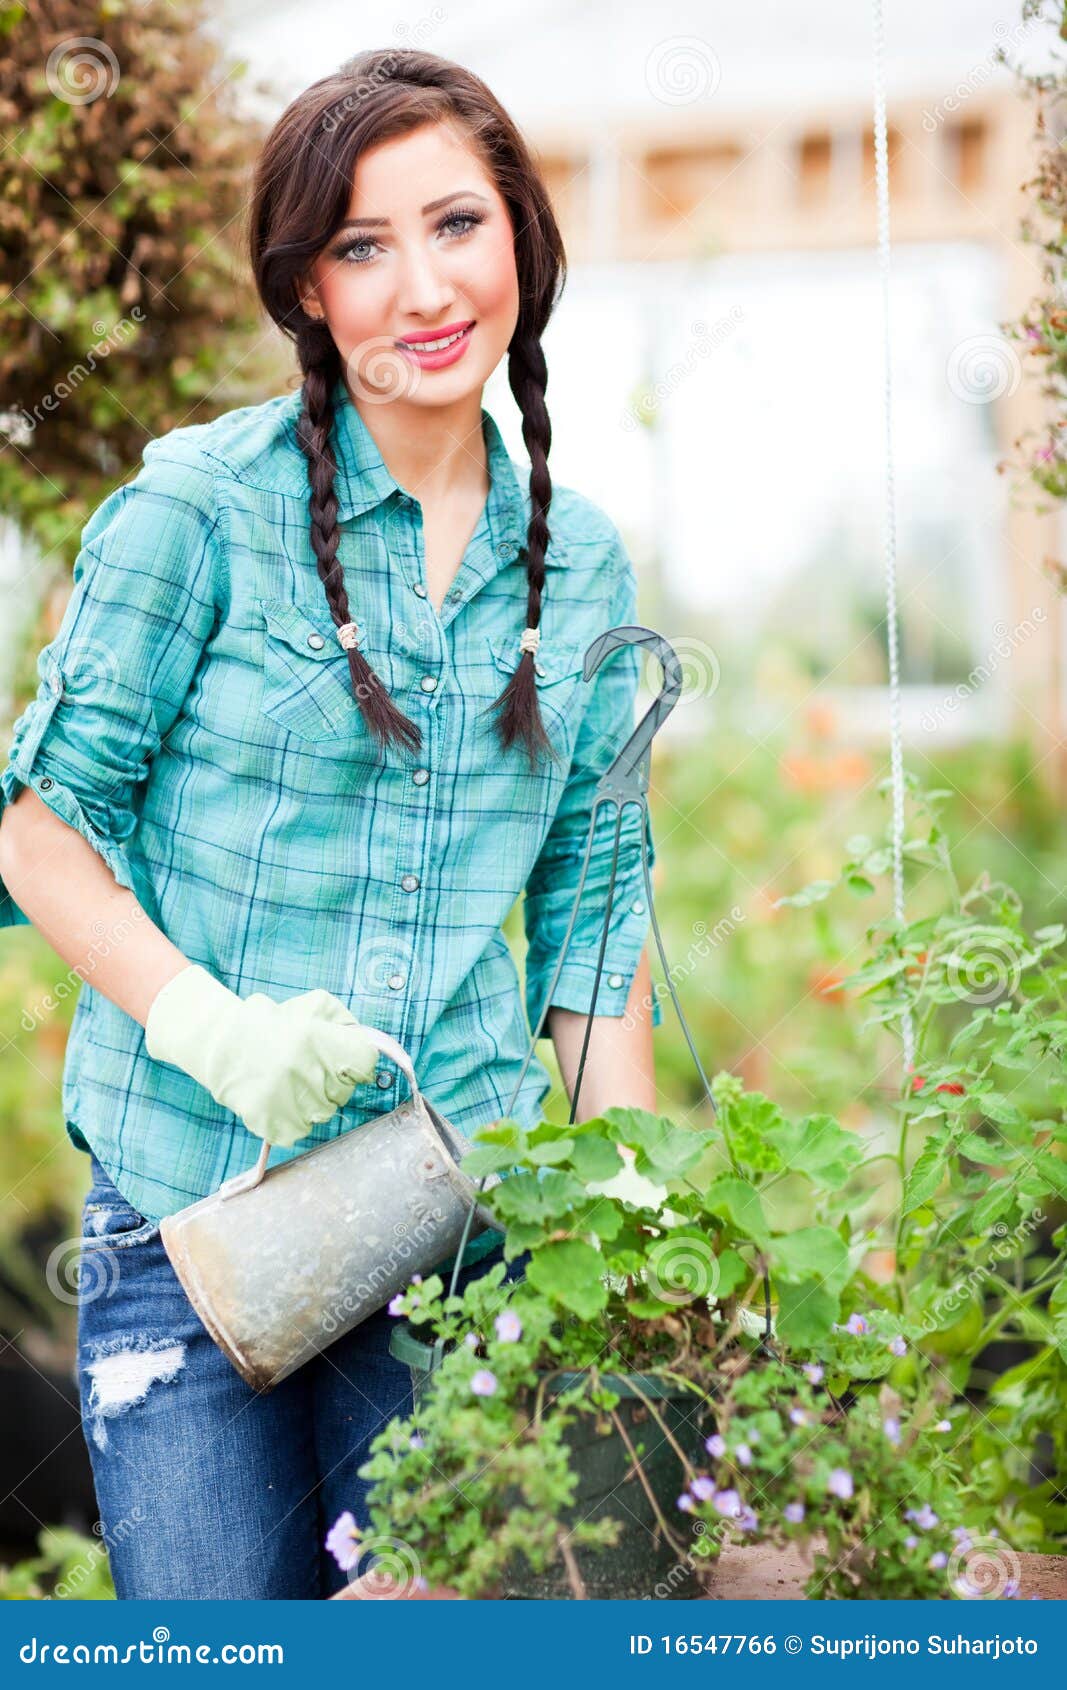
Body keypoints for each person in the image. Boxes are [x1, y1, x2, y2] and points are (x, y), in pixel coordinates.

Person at [0, 47, 661, 1599]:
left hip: (459, 1236)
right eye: (361, 247)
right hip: (195, 1224)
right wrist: (213, 1027)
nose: (422, 286)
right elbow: (40, 830)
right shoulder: (198, 512)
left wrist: (631, 1186)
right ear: (304, 289)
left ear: (522, 242)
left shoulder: (584, 571)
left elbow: (594, 904)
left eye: (457, 225)